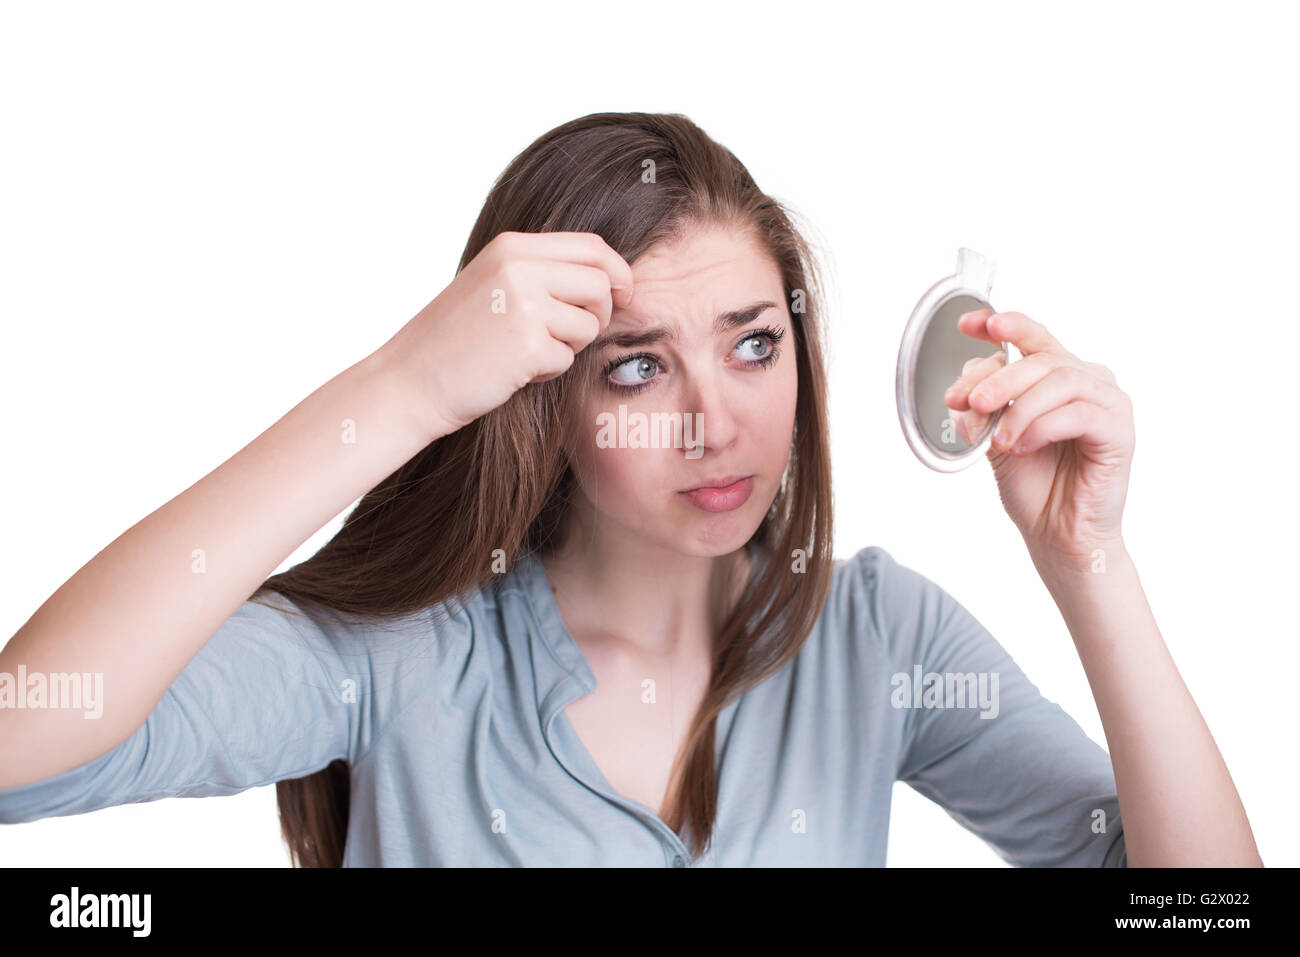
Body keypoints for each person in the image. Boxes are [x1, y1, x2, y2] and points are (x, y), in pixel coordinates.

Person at [0, 112, 1260, 867]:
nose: (719, 421)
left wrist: (1087, 565)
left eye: (754, 342)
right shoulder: (397, 659)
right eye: (638, 365)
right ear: (538, 394)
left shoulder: (879, 640)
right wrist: (396, 392)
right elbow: (19, 744)